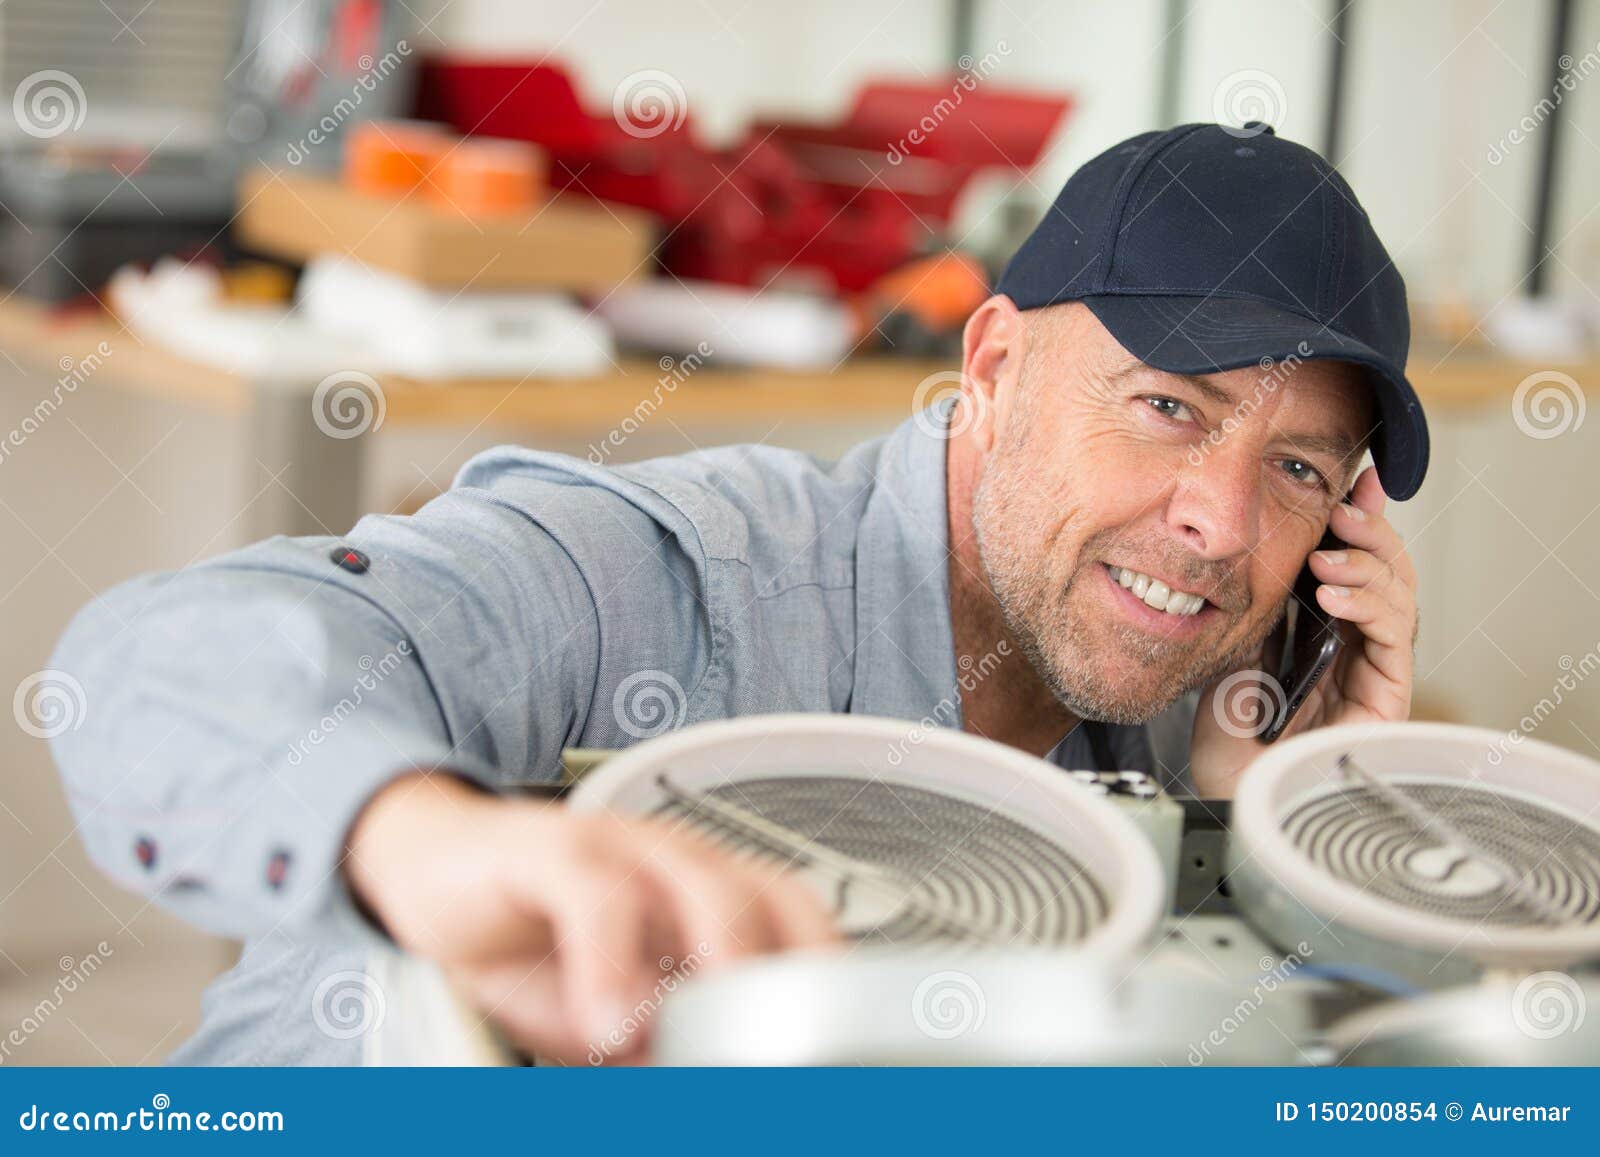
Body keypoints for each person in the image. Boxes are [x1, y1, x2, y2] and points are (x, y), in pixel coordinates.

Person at [49, 123, 1423, 1064]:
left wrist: (1273, 858)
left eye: (1301, 465)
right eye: (1171, 406)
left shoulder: (1174, 716)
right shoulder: (663, 578)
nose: (1222, 522)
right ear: (994, 368)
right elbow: (155, 660)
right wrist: (429, 841)